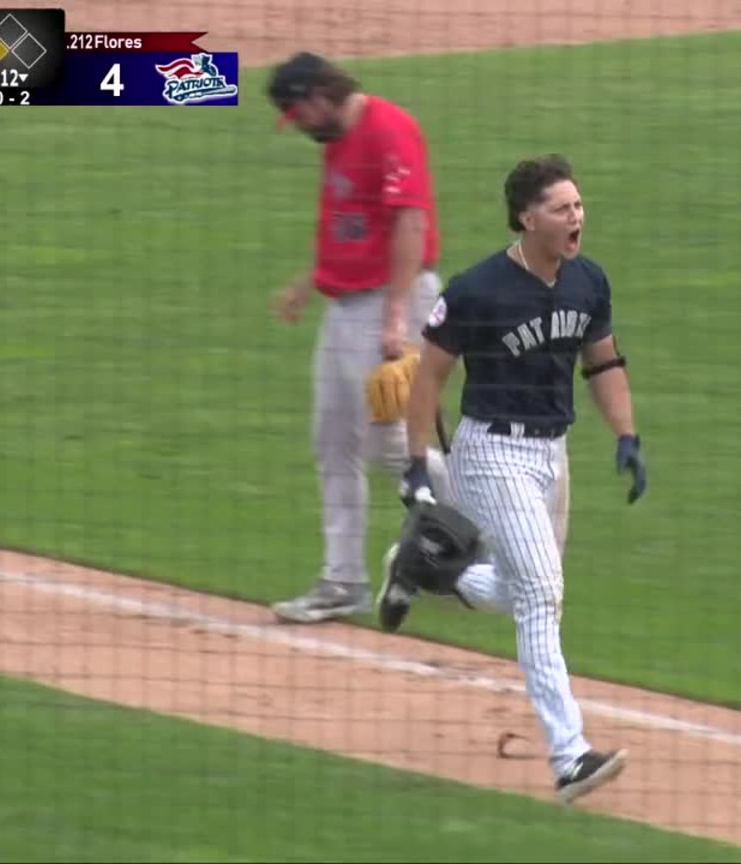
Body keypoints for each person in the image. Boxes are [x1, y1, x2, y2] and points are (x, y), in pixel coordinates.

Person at [376, 154, 648, 804]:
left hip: (552, 456)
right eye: (562, 208)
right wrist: (416, 463)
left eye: (578, 205)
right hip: (490, 454)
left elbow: (602, 363)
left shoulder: (589, 283)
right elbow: (430, 378)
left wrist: (627, 436)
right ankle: (570, 756)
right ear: (528, 219)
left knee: (522, 588)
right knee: (541, 594)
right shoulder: (478, 290)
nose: (576, 216)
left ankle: (417, 565)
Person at [266, 51, 452, 624]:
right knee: (333, 441)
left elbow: (410, 225)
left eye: (299, 112)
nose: (298, 125)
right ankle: (342, 578)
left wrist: (396, 317)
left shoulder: (389, 129)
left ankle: (482, 521)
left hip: (390, 303)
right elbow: (352, 226)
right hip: (345, 308)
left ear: (322, 94)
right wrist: (309, 282)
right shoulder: (338, 141)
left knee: (389, 445)